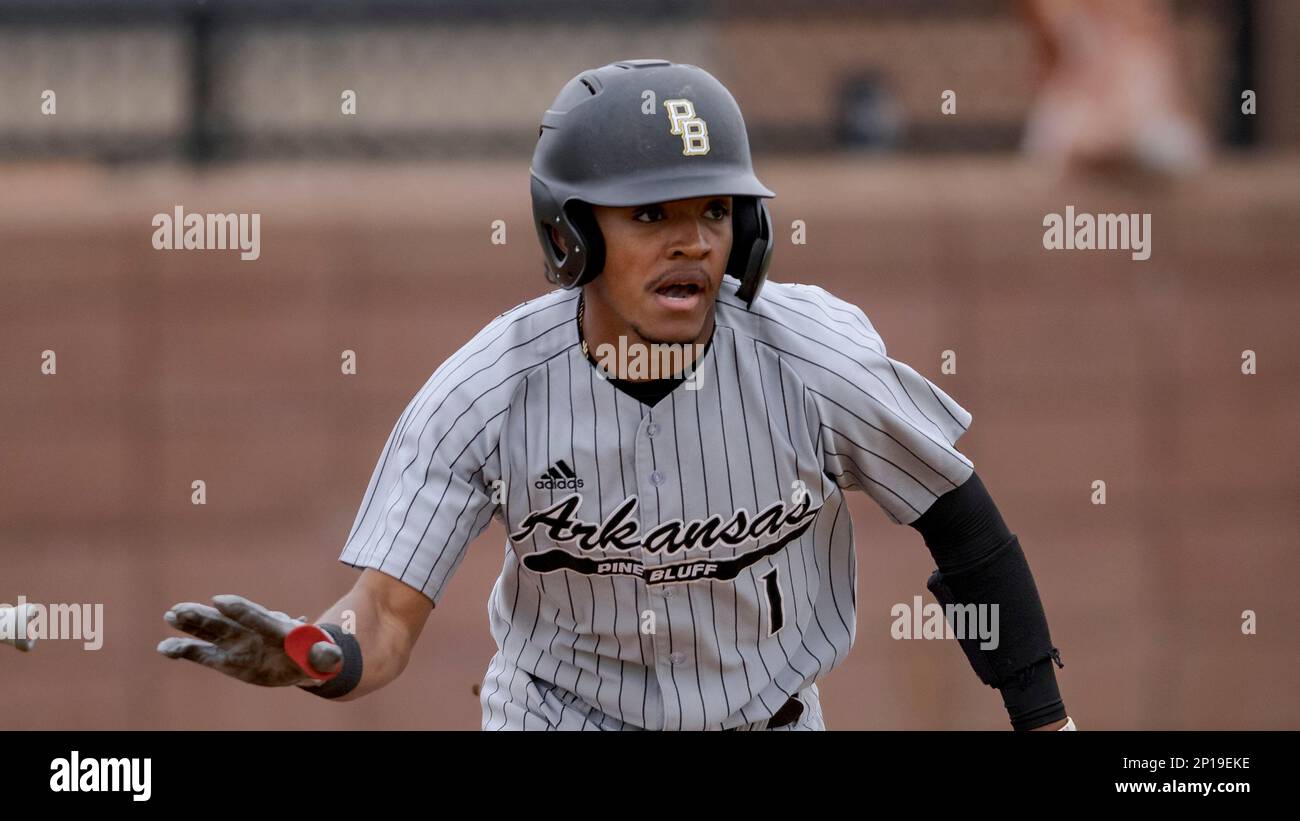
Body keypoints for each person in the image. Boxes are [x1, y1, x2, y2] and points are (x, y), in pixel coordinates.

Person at [158, 59, 1072, 731]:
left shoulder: (812, 356)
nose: (693, 242)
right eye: (650, 215)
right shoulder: (487, 390)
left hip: (773, 716)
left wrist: (1045, 719)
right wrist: (317, 655)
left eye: (713, 210)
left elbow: (961, 519)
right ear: (571, 239)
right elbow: (386, 614)